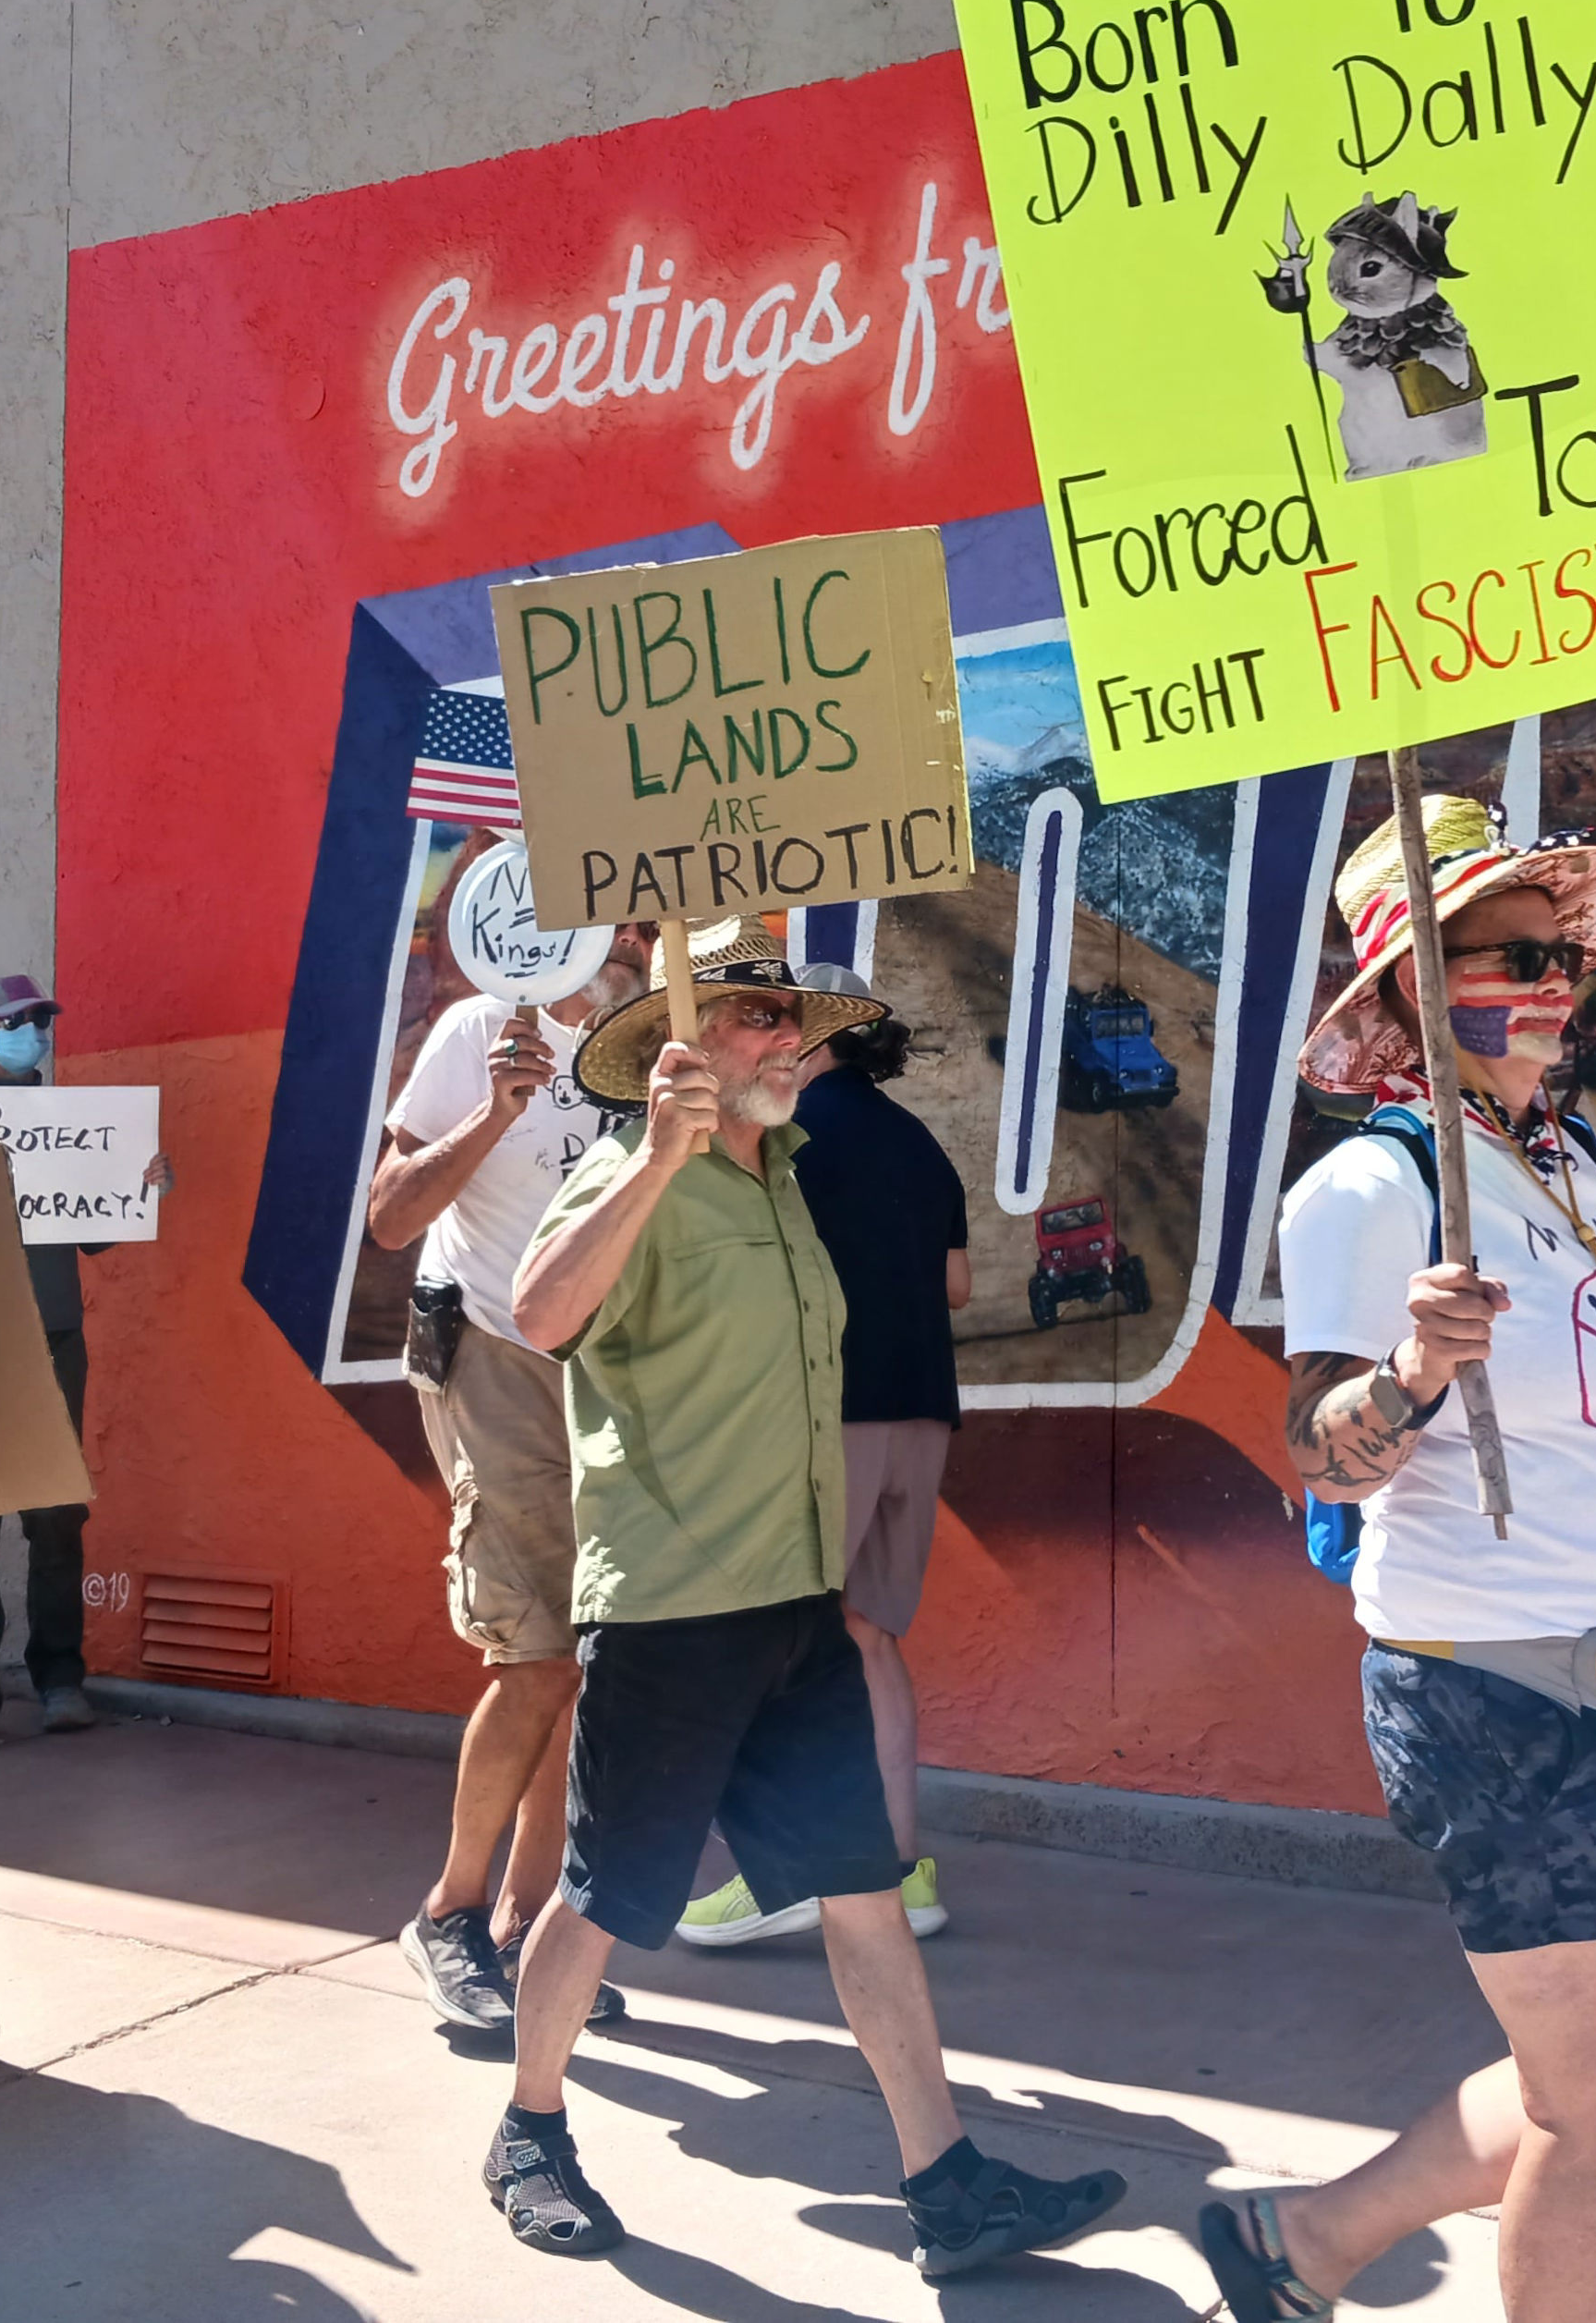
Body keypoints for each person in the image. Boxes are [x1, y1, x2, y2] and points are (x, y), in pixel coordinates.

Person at [483, 918, 1127, 2274]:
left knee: (861, 1887)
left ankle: (945, 2181)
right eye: (756, 1015)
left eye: (793, 1019)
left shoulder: (783, 1178)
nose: (788, 1038)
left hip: (795, 1598)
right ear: (681, 1040)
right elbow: (540, 1316)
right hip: (671, 1607)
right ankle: (530, 2127)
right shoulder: (629, 1169)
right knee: (605, 1893)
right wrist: (654, 1158)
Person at [1211, 801, 1596, 2323]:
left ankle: (1307, 2237)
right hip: (1495, 1689)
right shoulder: (1373, 1188)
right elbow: (1323, 1450)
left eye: (1565, 953)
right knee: (1592, 2102)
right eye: (1515, 954)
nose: (1558, 980)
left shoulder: (1573, 1157)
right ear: (1419, 987)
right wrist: (1417, 1373)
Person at [359, 905, 649, 2035]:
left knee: (584, 1660)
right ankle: (450, 1911)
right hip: (491, 1353)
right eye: (620, 922)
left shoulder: (655, 1043)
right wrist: (494, 1113)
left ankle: (530, 1926)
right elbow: (390, 1220)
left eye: (649, 924)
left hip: (611, 1371)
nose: (638, 940)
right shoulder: (477, 1029)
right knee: (534, 1653)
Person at [680, 960, 966, 1949]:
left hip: (824, 1414)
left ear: (815, 1038)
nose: (770, 1043)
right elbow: (957, 1285)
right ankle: (900, 1874)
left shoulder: (786, 1136)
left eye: (779, 1025)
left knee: (781, 1642)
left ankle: (785, 1874)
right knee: (868, 1639)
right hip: (922, 1414)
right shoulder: (919, 1140)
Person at [0, 972, 175, 1751]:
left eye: (39, 1021)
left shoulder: (78, 1126)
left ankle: (60, 1679)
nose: (32, 1033)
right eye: (15, 1022)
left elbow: (95, 1233)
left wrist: (141, 1187)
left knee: (57, 1519)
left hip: (54, 1342)